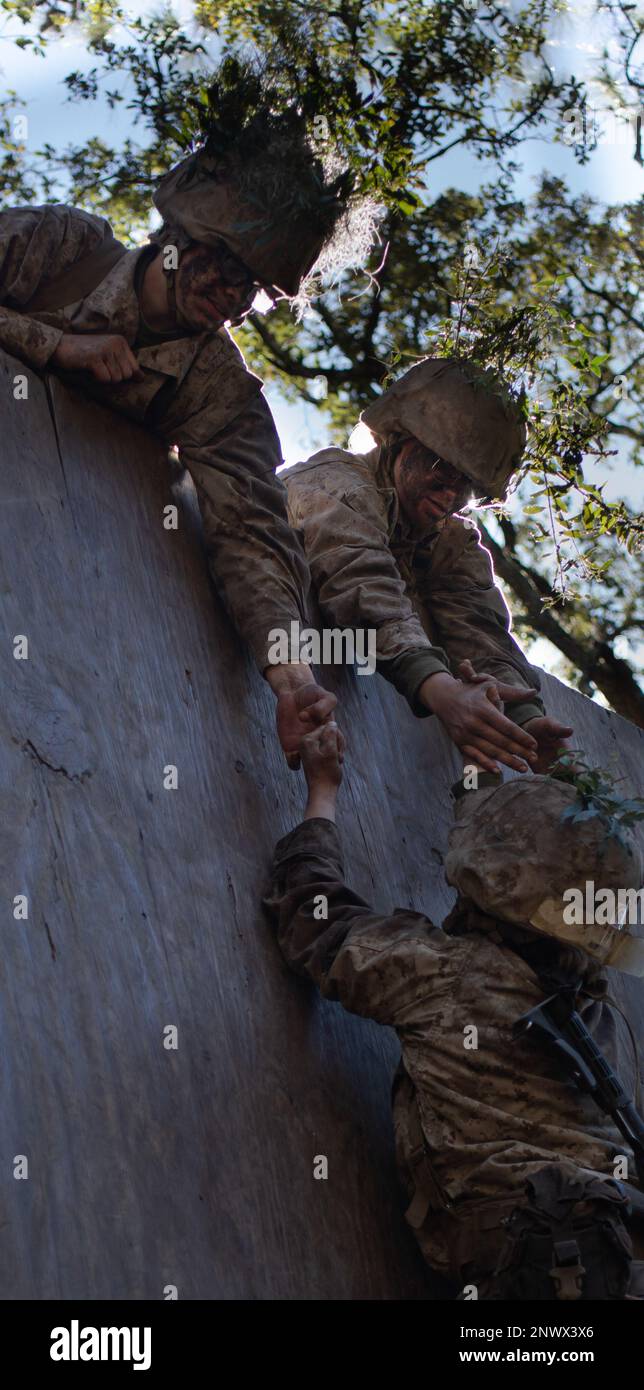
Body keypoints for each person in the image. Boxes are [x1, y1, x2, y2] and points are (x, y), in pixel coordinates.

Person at [0, 82, 374, 766]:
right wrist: (53, 345)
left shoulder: (220, 395)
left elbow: (252, 533)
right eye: (222, 264)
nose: (230, 294)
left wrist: (292, 681)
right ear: (175, 235)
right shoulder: (55, 249)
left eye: (252, 286)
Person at [264, 724, 644, 1298]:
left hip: (533, 1273)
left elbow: (315, 920)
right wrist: (486, 769)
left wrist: (322, 792)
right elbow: (540, 880)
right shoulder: (599, 1006)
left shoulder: (444, 977)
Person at [285, 357, 573, 775]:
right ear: (400, 442)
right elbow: (361, 577)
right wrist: (438, 689)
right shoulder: (339, 482)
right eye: (440, 469)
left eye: (468, 484)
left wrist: (526, 720)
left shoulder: (450, 542)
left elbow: (477, 629)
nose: (451, 492)